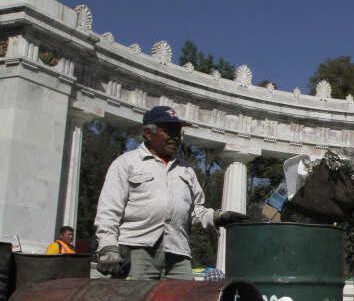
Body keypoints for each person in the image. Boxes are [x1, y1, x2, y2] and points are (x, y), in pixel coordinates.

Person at [94, 106, 247, 280]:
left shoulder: (186, 170)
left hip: (177, 252)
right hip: (138, 249)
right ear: (148, 133)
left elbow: (195, 211)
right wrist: (107, 246)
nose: (175, 137)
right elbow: (109, 210)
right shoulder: (126, 163)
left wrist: (218, 217)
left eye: (178, 132)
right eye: (169, 131)